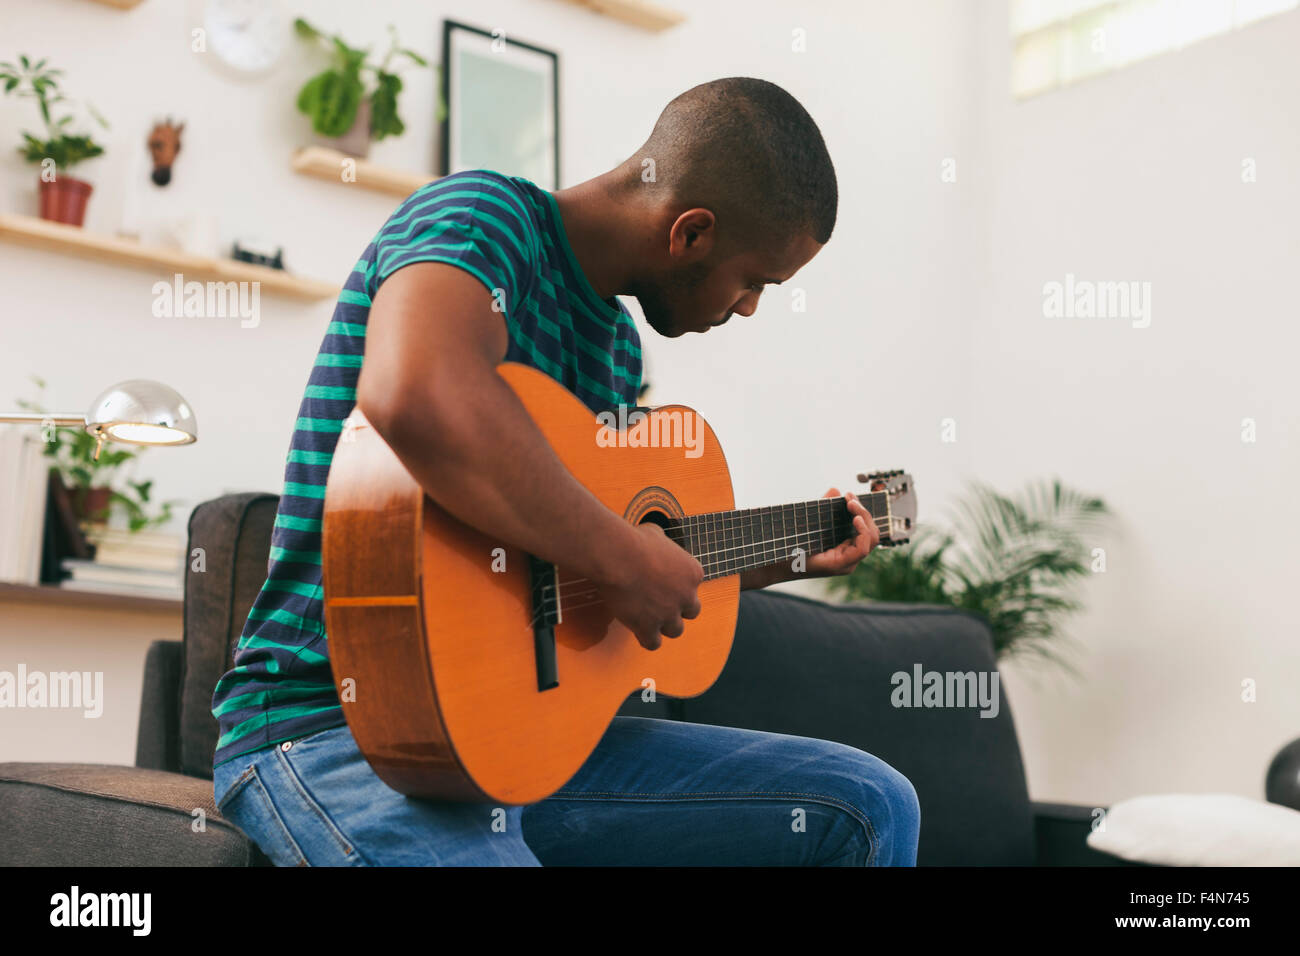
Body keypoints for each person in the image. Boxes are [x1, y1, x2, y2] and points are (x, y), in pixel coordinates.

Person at [210, 77, 921, 866]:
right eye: (755, 281)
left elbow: (577, 583)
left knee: (866, 804)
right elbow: (414, 392)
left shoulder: (617, 350)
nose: (748, 306)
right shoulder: (482, 218)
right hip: (339, 733)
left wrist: (782, 555)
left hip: (526, 752)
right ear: (690, 233)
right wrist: (621, 556)